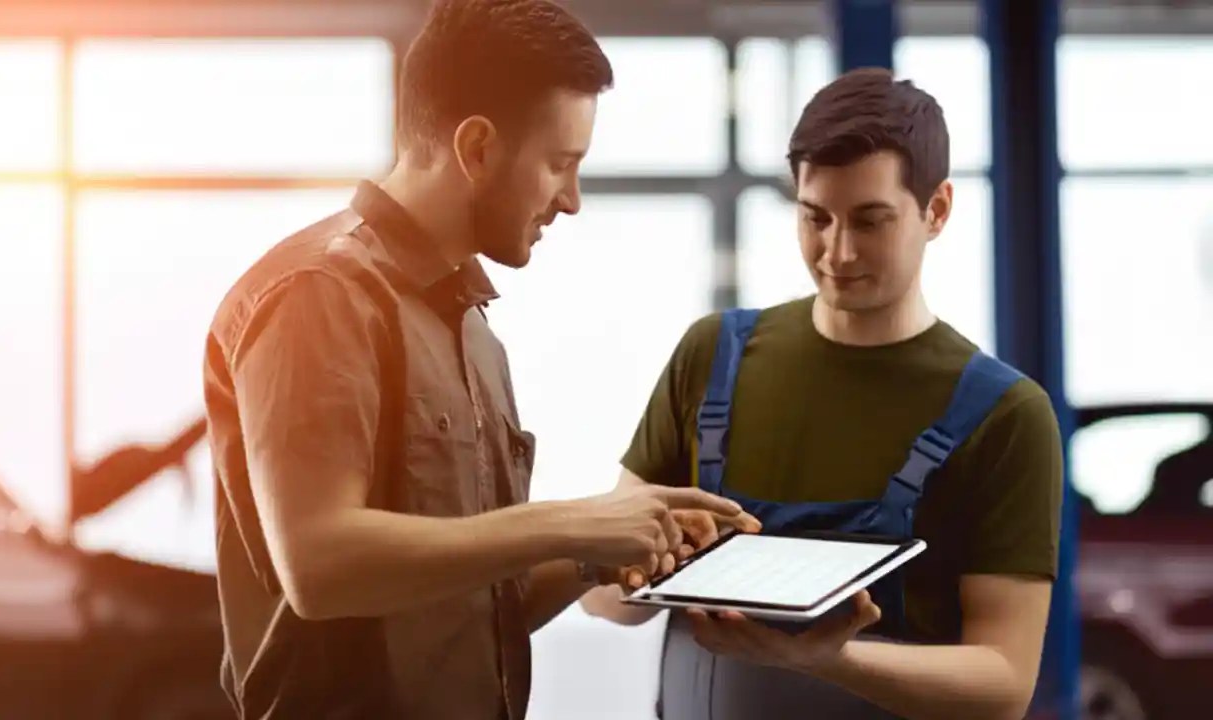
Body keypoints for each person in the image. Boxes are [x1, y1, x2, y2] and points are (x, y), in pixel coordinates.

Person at [202, 1, 752, 718]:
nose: (572, 201)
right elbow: (319, 566)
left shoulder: (473, 333)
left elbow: (485, 605)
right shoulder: (319, 293)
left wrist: (604, 549)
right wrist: (570, 521)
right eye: (560, 164)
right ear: (479, 147)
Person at [582, 67, 1065, 720]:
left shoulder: (1006, 416)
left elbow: (1004, 683)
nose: (837, 252)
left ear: (937, 211)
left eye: (870, 221)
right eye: (816, 217)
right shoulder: (712, 356)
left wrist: (825, 657)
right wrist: (639, 566)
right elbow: (603, 599)